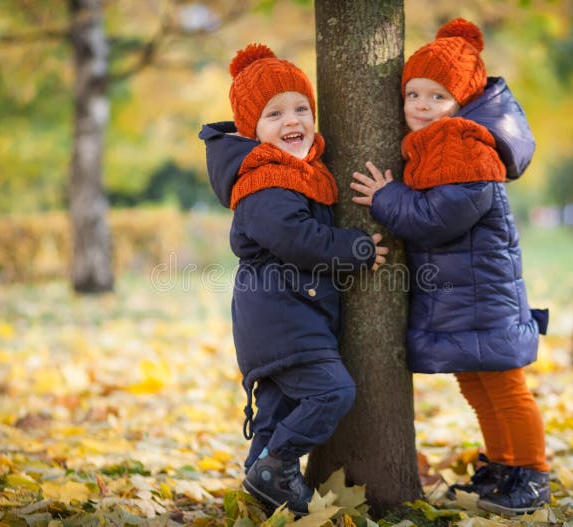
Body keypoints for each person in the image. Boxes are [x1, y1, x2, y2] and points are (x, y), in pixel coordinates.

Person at [350, 19, 550, 515]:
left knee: (505, 387)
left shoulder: (466, 146)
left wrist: (386, 196)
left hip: (485, 293)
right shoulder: (436, 143)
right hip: (465, 294)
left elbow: (439, 218)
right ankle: (503, 467)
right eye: (413, 93)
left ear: (462, 100)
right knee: (476, 382)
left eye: (436, 97)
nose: (420, 106)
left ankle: (534, 474)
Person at [198, 43, 388, 516]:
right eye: (274, 113)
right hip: (284, 316)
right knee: (332, 391)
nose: (292, 121)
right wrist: (356, 248)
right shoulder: (266, 178)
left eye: (301, 108)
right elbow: (296, 238)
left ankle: (261, 489)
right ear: (252, 131)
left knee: (279, 409)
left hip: (286, 314)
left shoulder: (297, 172)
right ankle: (277, 464)